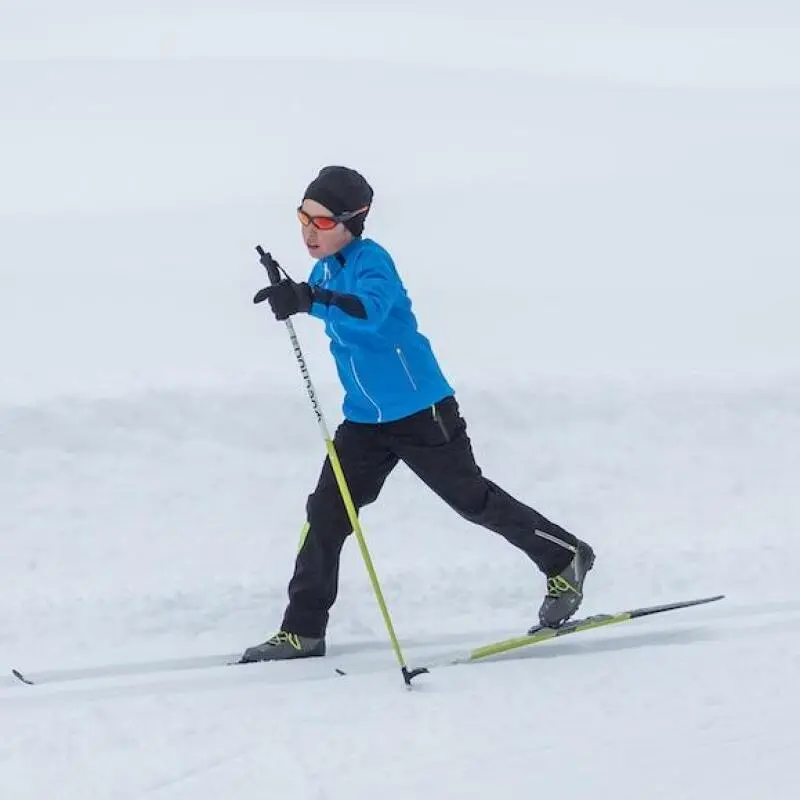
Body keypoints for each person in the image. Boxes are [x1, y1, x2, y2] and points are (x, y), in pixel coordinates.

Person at [241, 166, 595, 662]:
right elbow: (326, 300)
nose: (307, 232)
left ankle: (565, 556)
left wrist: (311, 298)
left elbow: (369, 309)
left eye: (321, 222)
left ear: (353, 221)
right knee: (326, 514)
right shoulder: (325, 271)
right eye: (303, 218)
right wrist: (299, 295)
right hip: (364, 420)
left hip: (421, 413)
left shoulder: (372, 262)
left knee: (473, 500)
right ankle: (303, 631)